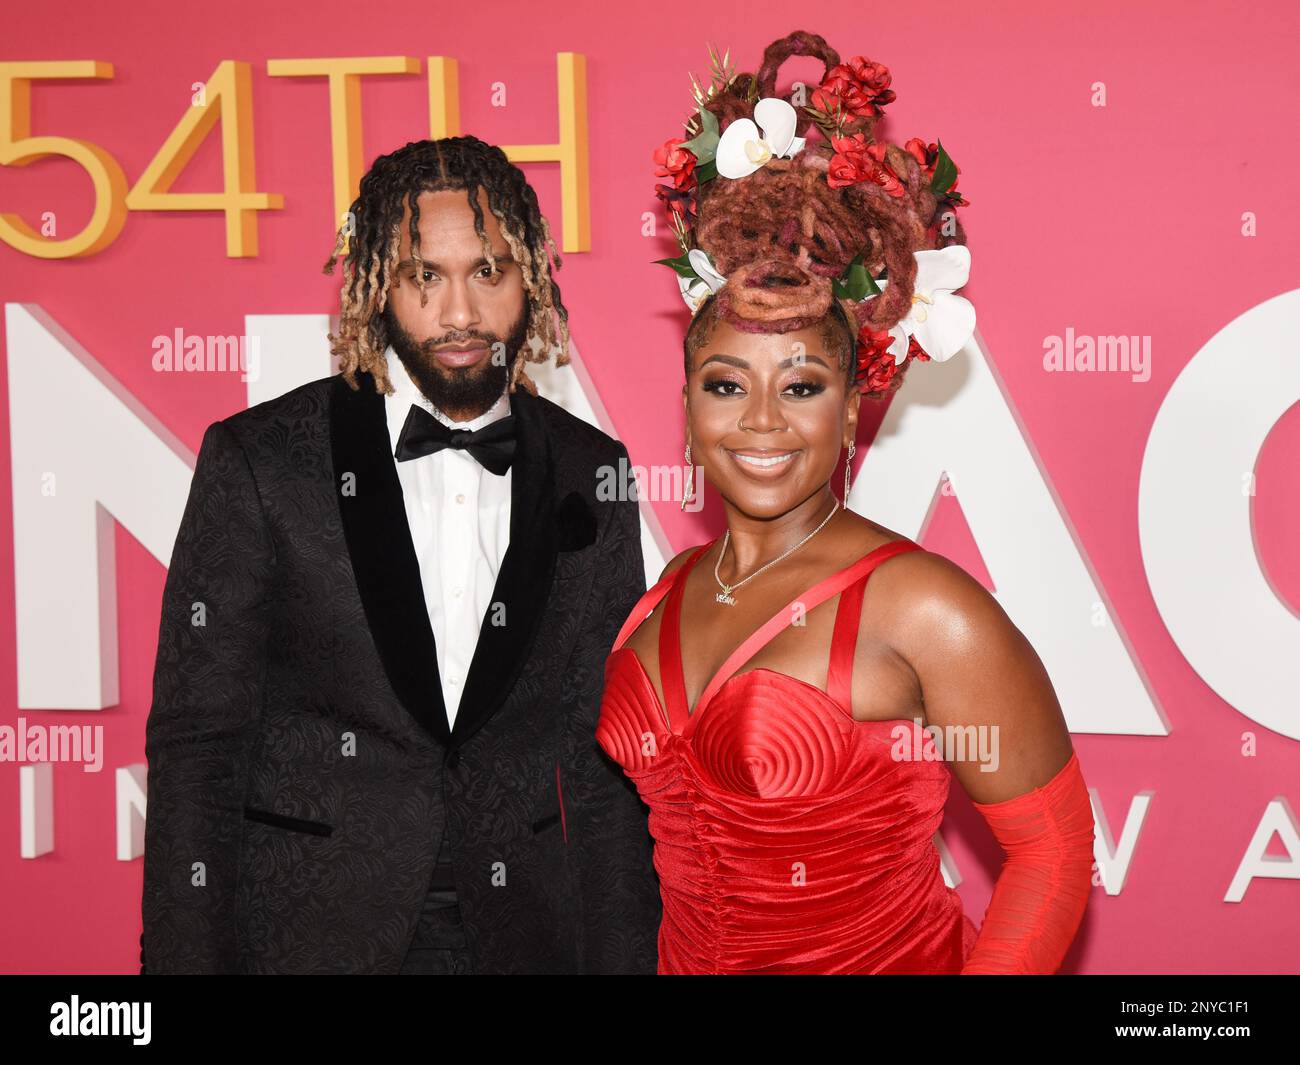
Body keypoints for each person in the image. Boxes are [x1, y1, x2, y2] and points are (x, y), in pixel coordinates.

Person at [596, 30, 1095, 974]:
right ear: (688, 399)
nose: (761, 423)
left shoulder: (924, 606)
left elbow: (1055, 853)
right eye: (726, 383)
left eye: (801, 384)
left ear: (852, 401)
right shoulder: (670, 586)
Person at [141, 136, 661, 974]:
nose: (459, 314)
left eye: (489, 272)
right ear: (377, 285)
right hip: (311, 932)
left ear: (532, 279)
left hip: (525, 934)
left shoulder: (591, 470)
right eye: (425, 276)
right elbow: (200, 746)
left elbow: (602, 764)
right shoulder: (262, 459)